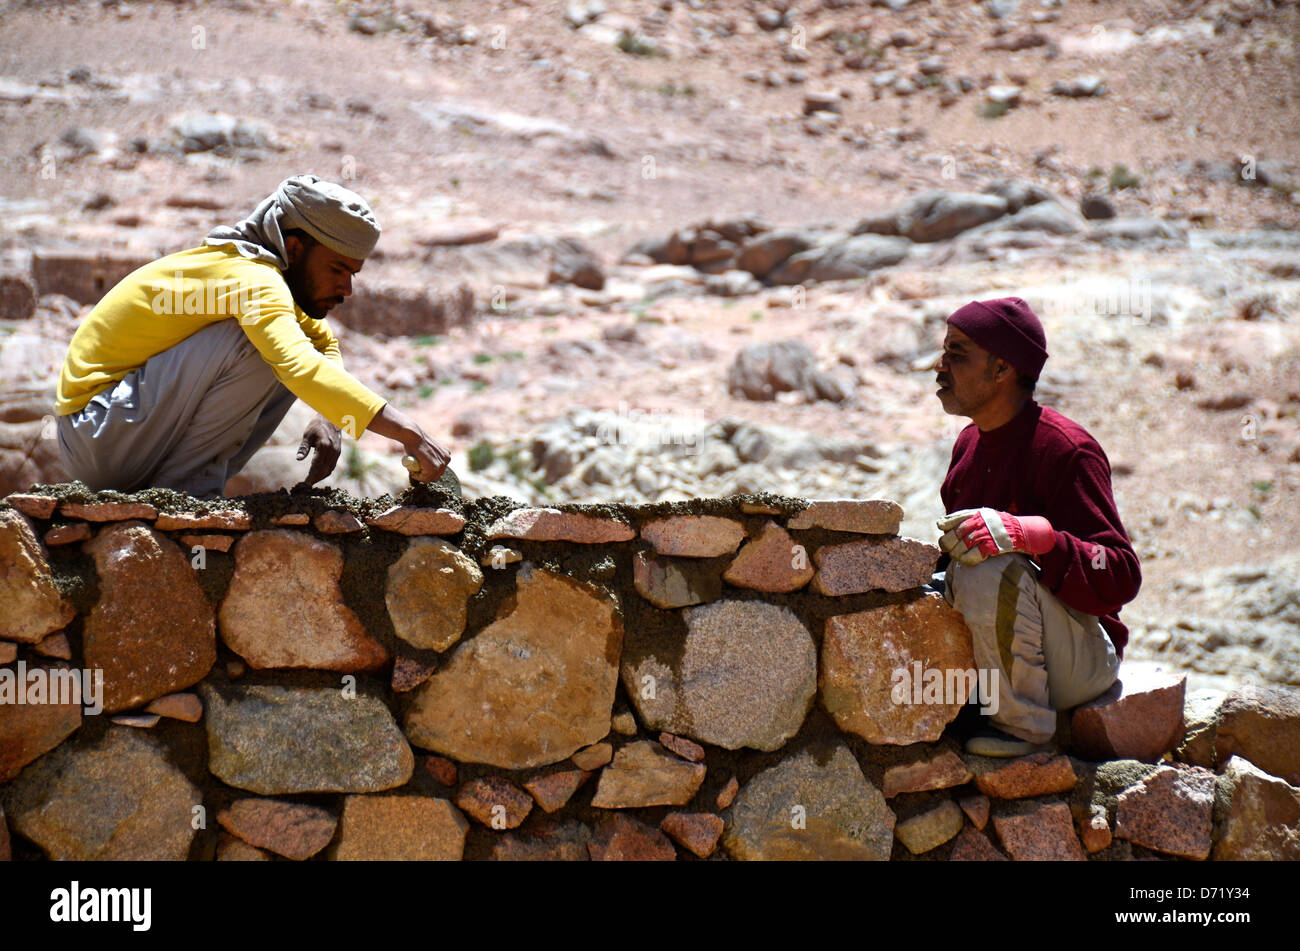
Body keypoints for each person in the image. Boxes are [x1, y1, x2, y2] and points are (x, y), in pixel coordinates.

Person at [55, 174, 450, 499]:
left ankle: (182, 495)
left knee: (286, 343)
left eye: (353, 274)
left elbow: (323, 343)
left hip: (118, 439)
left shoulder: (264, 275)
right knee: (257, 346)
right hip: (97, 432)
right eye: (337, 269)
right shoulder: (253, 278)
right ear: (293, 248)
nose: (346, 288)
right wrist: (410, 434)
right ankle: (187, 496)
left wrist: (330, 414)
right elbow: (299, 365)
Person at [932, 297, 1141, 757]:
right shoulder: (969, 444)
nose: (940, 366)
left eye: (957, 353)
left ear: (1002, 367)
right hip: (1009, 658)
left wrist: (1039, 540)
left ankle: (1024, 729)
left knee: (986, 570)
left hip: (1079, 661)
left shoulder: (1067, 449)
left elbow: (1122, 574)